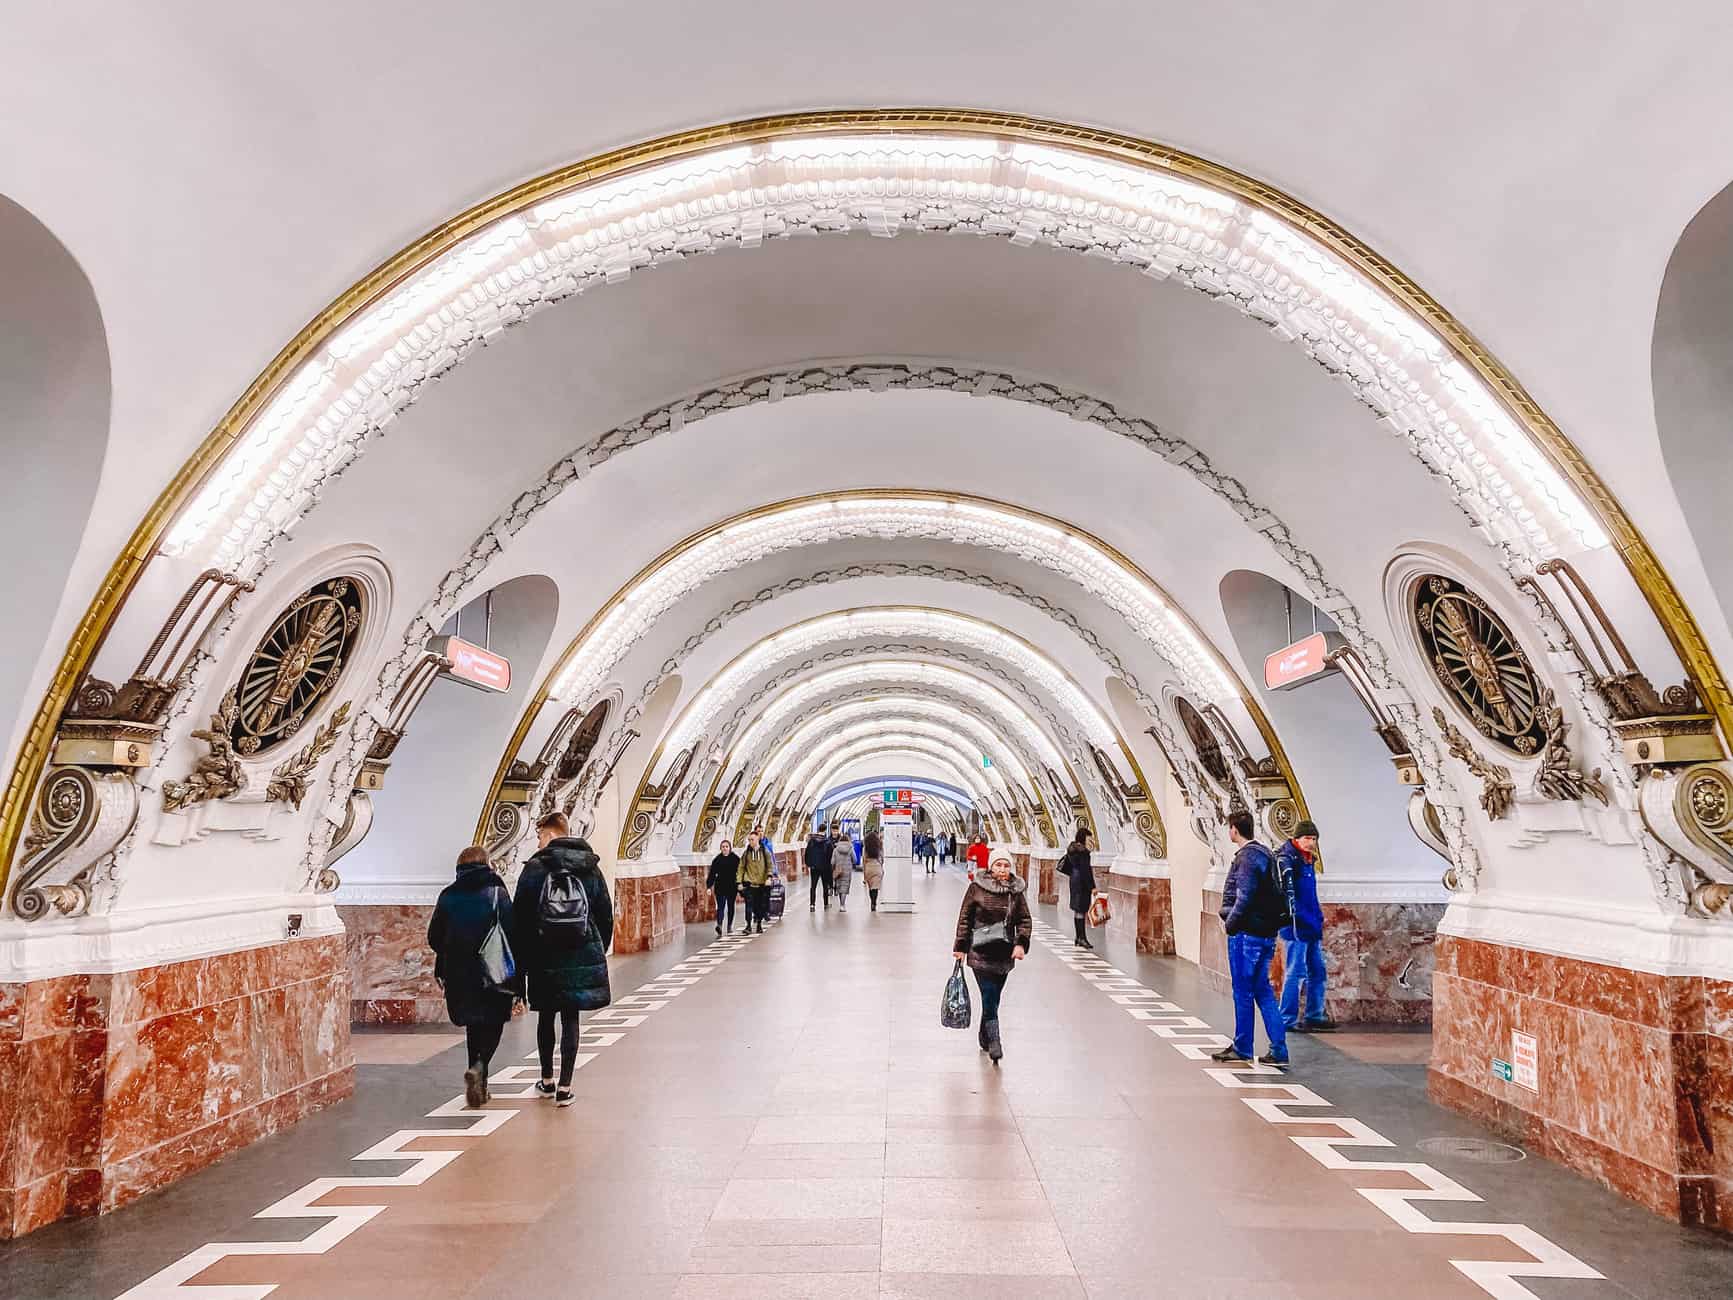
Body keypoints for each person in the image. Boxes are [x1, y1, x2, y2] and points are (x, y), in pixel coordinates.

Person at [512, 812, 615, 1107]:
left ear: (552, 834)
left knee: (546, 1015)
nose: (538, 840)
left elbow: (520, 917)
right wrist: (596, 948)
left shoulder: (534, 869)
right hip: (581, 951)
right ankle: (566, 1086)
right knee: (571, 1018)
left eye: (540, 834)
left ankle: (546, 1079)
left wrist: (524, 958)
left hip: (544, 953)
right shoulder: (589, 867)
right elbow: (604, 913)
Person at [426, 845, 518, 1109]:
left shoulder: (447, 895)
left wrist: (454, 950)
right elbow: (511, 932)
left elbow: (434, 937)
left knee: (473, 1027)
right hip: (493, 970)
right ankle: (480, 1068)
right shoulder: (496, 892)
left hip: (458, 974)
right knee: (494, 1022)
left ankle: (480, 1085)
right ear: (488, 865)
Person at [1211, 810, 1289, 1068]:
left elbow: (1243, 897)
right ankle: (1278, 1049)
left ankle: (1243, 1046)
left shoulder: (1246, 858)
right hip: (1266, 933)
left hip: (1247, 934)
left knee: (1242, 991)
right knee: (1263, 991)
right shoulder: (1266, 853)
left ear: (1234, 829)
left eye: (1229, 828)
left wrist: (1230, 925)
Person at [951, 851, 1032, 1063]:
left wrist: (1021, 944)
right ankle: (995, 1043)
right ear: (990, 867)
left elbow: (1024, 919)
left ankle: (984, 1035)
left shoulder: (1016, 892)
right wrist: (960, 946)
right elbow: (965, 918)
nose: (1003, 870)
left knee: (993, 998)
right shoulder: (977, 888)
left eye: (1006, 865)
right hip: (980, 952)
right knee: (988, 994)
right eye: (998, 865)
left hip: (1004, 954)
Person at [1278, 819, 1335, 1033]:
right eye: (1307, 838)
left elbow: (1310, 895)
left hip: (1311, 924)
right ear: (1296, 838)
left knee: (1317, 971)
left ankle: (1314, 1014)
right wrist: (1295, 917)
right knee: (1296, 971)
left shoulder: (1308, 860)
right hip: (1295, 926)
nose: (1311, 842)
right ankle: (1287, 1018)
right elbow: (1288, 895)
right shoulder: (1287, 861)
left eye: (1314, 839)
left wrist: (1317, 917)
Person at [1057, 826, 1096, 949]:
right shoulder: (1083, 852)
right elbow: (1086, 871)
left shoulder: (1072, 849)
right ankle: (1082, 938)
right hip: (1082, 883)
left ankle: (1079, 937)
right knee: (1082, 910)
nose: (1091, 842)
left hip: (1074, 880)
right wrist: (1092, 887)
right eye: (1089, 839)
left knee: (1078, 910)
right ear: (1084, 838)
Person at [739, 831, 774, 933]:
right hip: (749, 883)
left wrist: (769, 877)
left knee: (760, 906)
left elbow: (769, 865)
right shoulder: (746, 853)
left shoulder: (765, 852)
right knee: (748, 906)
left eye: (752, 839)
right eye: (749, 840)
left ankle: (759, 924)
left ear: (758, 839)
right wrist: (739, 882)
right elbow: (741, 867)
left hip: (761, 883)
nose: (750, 842)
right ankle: (748, 926)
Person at [706, 838, 740, 936]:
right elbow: (712, 874)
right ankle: (719, 925)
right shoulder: (717, 860)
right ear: (720, 848)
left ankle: (729, 926)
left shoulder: (735, 859)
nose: (725, 848)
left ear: (730, 848)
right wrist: (709, 886)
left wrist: (740, 884)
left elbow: (740, 872)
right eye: (723, 847)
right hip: (720, 887)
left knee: (730, 907)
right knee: (720, 907)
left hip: (732, 887)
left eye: (726, 847)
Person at [805, 824, 835, 910]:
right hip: (824, 867)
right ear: (825, 830)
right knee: (825, 886)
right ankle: (825, 904)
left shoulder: (811, 841)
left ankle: (812, 905)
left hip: (814, 867)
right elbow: (831, 856)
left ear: (818, 829)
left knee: (813, 886)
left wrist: (809, 864)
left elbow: (807, 853)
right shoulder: (828, 842)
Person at [830, 831, 855, 912]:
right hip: (847, 871)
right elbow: (855, 860)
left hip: (838, 870)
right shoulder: (851, 848)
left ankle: (841, 904)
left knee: (839, 887)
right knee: (844, 887)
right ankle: (842, 905)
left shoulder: (835, 849)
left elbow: (832, 862)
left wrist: (833, 868)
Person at [862, 828, 884, 911]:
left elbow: (864, 860)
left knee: (871, 887)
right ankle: (874, 902)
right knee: (876, 887)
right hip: (877, 867)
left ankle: (872, 901)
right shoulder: (879, 847)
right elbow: (882, 858)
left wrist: (864, 873)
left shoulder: (865, 848)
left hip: (868, 867)